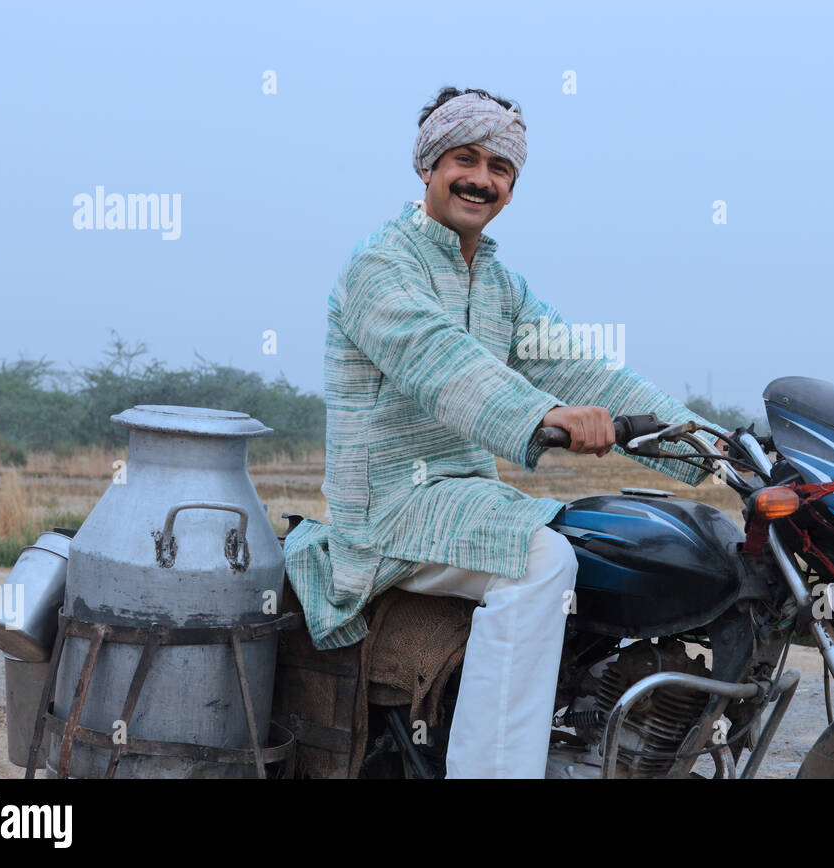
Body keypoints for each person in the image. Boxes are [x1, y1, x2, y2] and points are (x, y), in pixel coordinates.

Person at [283, 85, 728, 778]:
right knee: (540, 560)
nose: (481, 179)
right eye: (465, 159)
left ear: (513, 188)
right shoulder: (381, 265)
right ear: (427, 165)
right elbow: (439, 362)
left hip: (463, 498)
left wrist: (712, 446)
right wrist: (543, 416)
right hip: (389, 505)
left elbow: (581, 367)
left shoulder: (497, 284)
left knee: (610, 544)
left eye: (500, 168)